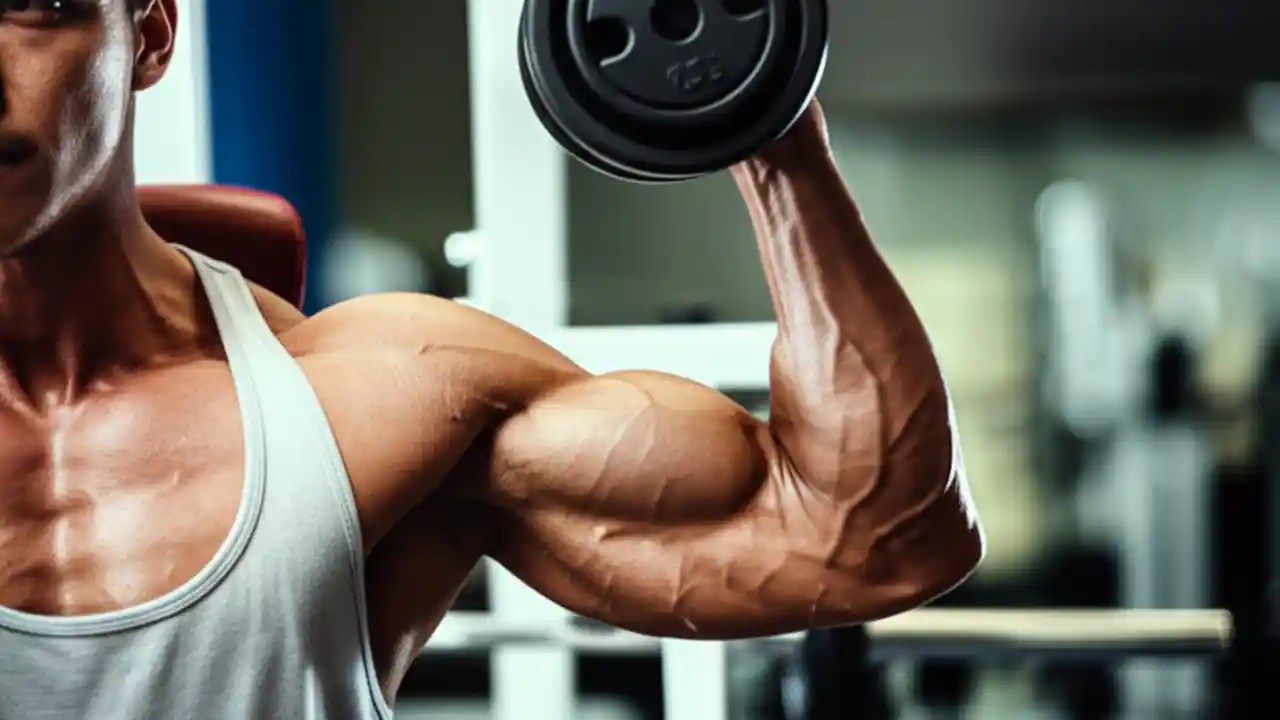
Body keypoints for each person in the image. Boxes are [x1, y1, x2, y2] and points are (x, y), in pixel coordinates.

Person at [0, 1, 984, 717]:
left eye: (32, 8)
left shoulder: (378, 398)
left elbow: (875, 539)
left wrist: (766, 123)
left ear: (150, 35)